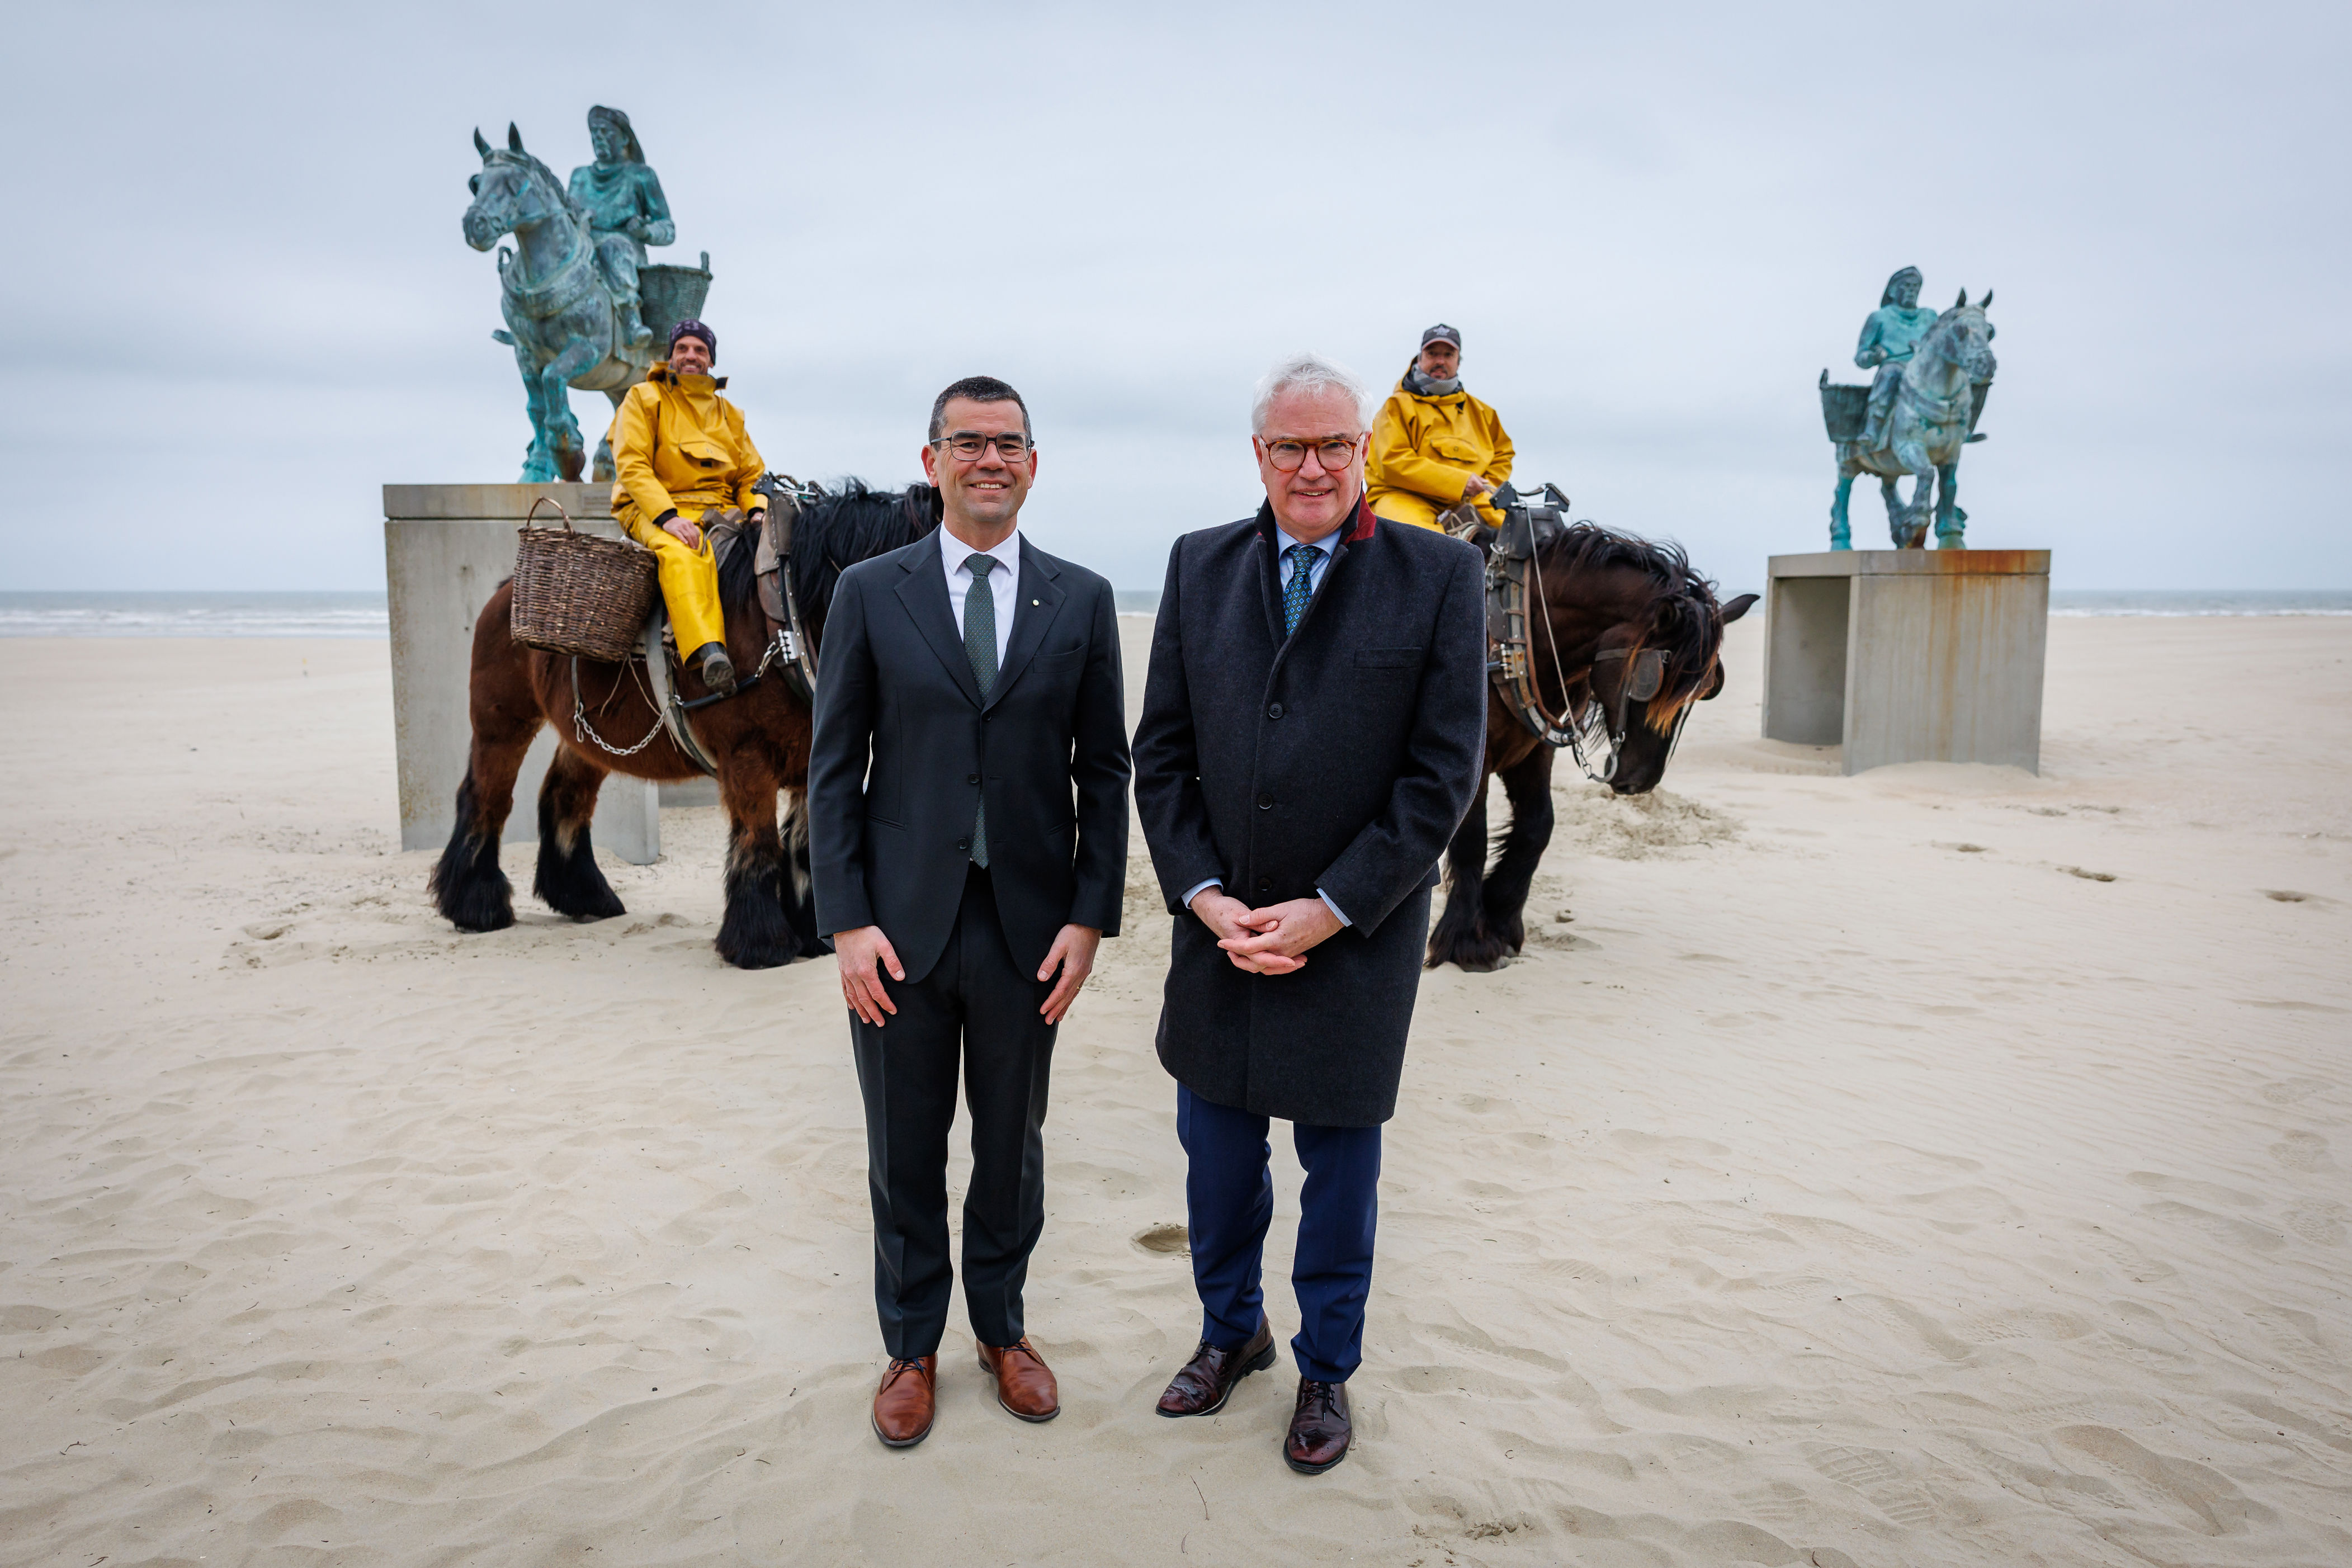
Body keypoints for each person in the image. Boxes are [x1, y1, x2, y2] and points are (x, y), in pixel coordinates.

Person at [1131, 353, 1487, 1473]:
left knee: (1338, 1177)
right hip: (1221, 934)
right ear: (1259, 455)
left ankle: (1326, 1369)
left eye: (1335, 444)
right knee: (1215, 1161)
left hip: (1356, 936)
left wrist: (1331, 908)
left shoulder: (1440, 574)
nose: (1314, 466)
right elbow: (1162, 757)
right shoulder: (1197, 565)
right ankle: (1230, 1332)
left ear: (1364, 450)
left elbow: (1443, 774)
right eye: (1290, 446)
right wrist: (1205, 898)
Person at [807, 376, 1131, 1450]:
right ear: (932, 460)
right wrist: (847, 921)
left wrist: (1090, 916)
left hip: (1029, 929)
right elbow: (832, 769)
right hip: (896, 930)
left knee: (1010, 1147)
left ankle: (1001, 1330)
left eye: (1008, 443)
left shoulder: (1081, 598)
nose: (989, 459)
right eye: (968, 442)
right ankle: (910, 1346)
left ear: (1033, 464)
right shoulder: (869, 592)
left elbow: (1105, 771)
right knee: (902, 1150)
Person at [607, 319, 766, 696]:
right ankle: (707, 653)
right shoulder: (644, 397)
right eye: (683, 348)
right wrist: (668, 518)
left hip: (721, 510)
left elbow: (750, 477)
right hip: (654, 508)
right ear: (671, 356)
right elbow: (633, 465)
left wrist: (757, 511)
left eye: (700, 350)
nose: (691, 356)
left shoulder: (731, 414)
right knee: (684, 553)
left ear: (711, 360)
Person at [1364, 324, 1515, 533]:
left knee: (1519, 531)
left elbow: (1503, 455)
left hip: (1470, 499)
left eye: (1448, 355)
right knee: (1420, 539)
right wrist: (1460, 482)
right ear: (1420, 358)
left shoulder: (1484, 413)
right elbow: (1392, 462)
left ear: (1458, 361)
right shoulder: (1396, 407)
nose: (1440, 361)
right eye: (1432, 354)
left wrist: (1482, 486)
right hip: (1403, 497)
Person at [566, 105, 673, 347]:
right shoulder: (579, 176)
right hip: (583, 246)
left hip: (623, 251)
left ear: (625, 138)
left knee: (613, 248)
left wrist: (645, 231)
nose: (599, 138)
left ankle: (631, 319)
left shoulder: (641, 175)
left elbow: (667, 228)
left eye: (606, 132)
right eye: (595, 133)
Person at [1855, 266, 1937, 451]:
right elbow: (1861, 357)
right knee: (1890, 372)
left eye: (1915, 287)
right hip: (1896, 369)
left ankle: (1961, 427)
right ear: (1892, 291)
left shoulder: (1929, 316)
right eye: (1906, 286)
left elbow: (1945, 339)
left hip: (1926, 371)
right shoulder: (1879, 318)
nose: (1912, 291)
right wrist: (1874, 357)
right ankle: (1874, 427)